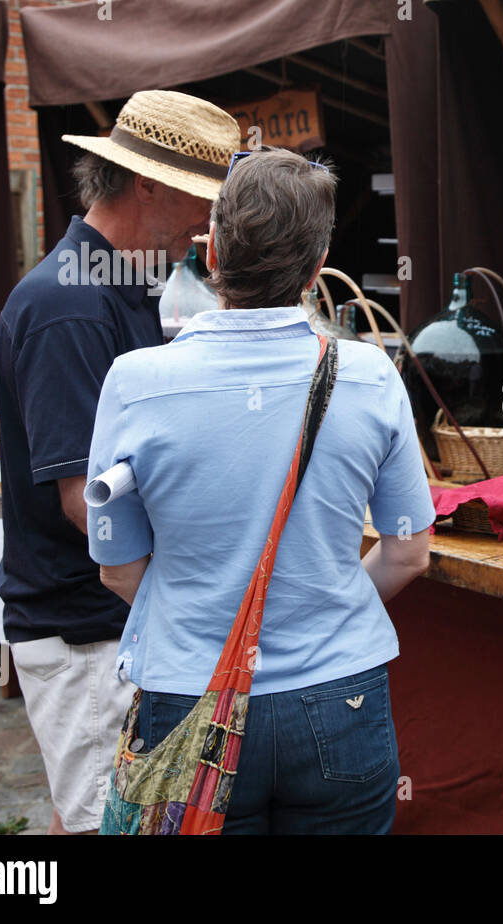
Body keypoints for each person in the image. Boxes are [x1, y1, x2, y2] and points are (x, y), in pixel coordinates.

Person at [85, 147, 434, 834]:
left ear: (211, 252)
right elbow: (409, 554)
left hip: (186, 691)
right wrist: (317, 607)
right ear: (314, 269)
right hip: (340, 697)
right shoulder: (370, 375)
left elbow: (117, 567)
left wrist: (204, 608)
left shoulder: (134, 381)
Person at [0, 90, 241, 835]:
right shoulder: (69, 303)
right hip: (86, 630)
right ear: (150, 183)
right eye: (204, 198)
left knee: (104, 821)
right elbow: (84, 501)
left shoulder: (120, 284)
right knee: (114, 824)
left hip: (108, 622)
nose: (209, 221)